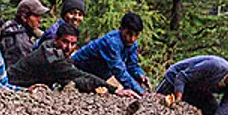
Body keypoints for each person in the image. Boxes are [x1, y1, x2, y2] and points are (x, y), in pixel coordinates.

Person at [8, 21, 137, 96]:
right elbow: (80, 75)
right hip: (13, 84)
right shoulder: (52, 58)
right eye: (65, 42)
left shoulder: (50, 48)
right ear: (56, 39)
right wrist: (115, 90)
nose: (68, 47)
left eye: (72, 44)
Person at [72, 12, 150, 94]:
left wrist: (140, 75)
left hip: (101, 71)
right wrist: (140, 91)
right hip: (81, 68)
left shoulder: (132, 44)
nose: (132, 39)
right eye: (129, 34)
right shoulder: (112, 42)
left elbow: (132, 64)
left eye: (136, 35)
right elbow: (118, 69)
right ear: (121, 29)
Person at [0, 0, 49, 68]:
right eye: (36, 16)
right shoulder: (19, 40)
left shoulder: (11, 25)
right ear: (24, 17)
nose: (40, 20)